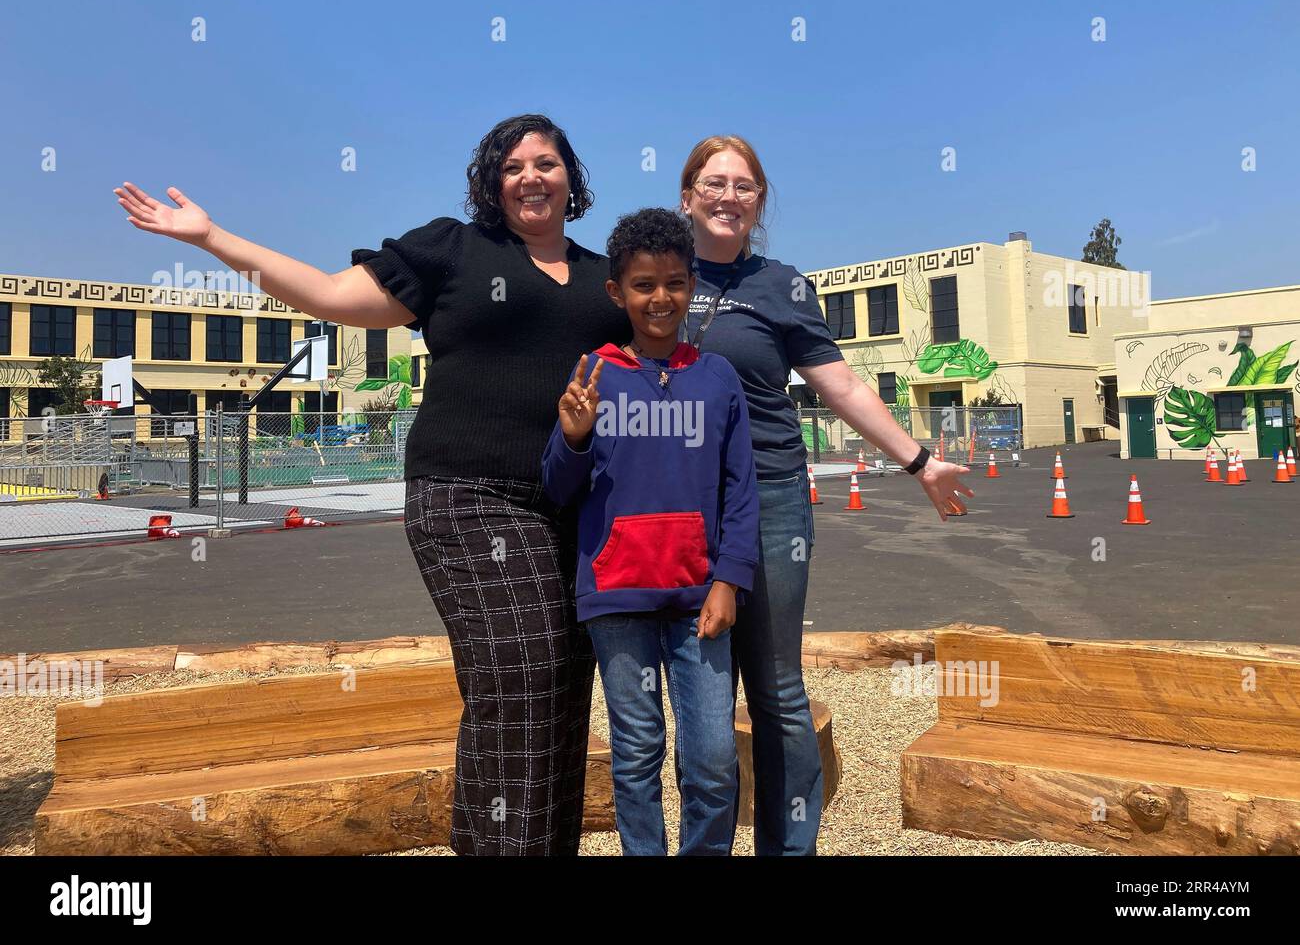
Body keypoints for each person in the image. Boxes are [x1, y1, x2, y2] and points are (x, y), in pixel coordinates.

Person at [114, 114, 632, 855]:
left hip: (572, 502)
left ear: (570, 177)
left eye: (546, 163)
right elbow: (326, 293)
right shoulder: (454, 249)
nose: (530, 177)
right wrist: (209, 237)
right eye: (512, 166)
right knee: (524, 670)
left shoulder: (600, 276)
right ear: (492, 182)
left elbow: (665, 343)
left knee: (562, 681)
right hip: (468, 496)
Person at [677, 135, 974, 855]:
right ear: (686, 196)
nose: (728, 197)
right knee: (704, 702)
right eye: (713, 183)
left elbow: (838, 384)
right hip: (682, 504)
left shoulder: (783, 285)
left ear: (759, 201)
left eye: (744, 186)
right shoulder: (653, 273)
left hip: (774, 495)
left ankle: (791, 847)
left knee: (777, 692)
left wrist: (919, 460)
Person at [542, 208, 759, 855]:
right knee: (637, 756)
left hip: (701, 601)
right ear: (617, 292)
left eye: (674, 282)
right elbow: (556, 487)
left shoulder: (718, 377)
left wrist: (730, 580)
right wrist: (573, 437)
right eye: (643, 285)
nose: (659, 298)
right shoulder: (595, 375)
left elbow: (741, 491)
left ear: (692, 285)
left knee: (714, 756)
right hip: (619, 598)